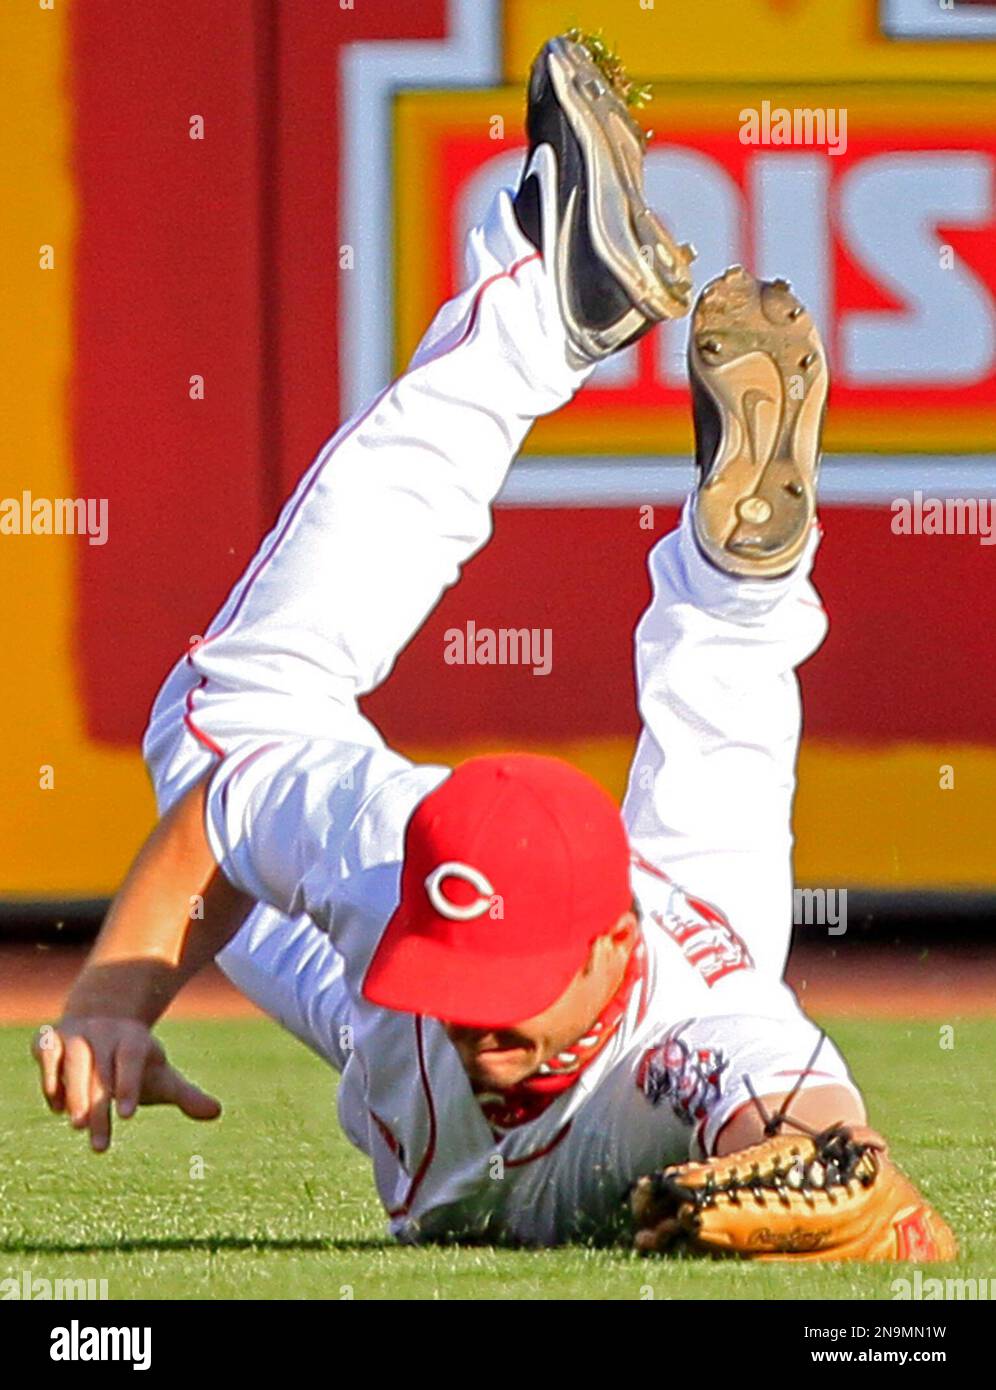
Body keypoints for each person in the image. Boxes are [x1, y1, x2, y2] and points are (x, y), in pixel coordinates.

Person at [34, 32, 954, 1257]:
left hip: (661, 1004)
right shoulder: (388, 855)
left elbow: (853, 1169)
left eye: (502, 989)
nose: (478, 1031)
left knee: (237, 702)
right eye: (455, 975)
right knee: (230, 733)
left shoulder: (695, 1038)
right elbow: (223, 807)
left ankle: (540, 324)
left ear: (612, 950)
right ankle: (734, 563)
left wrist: (827, 1188)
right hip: (659, 947)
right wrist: (114, 993)